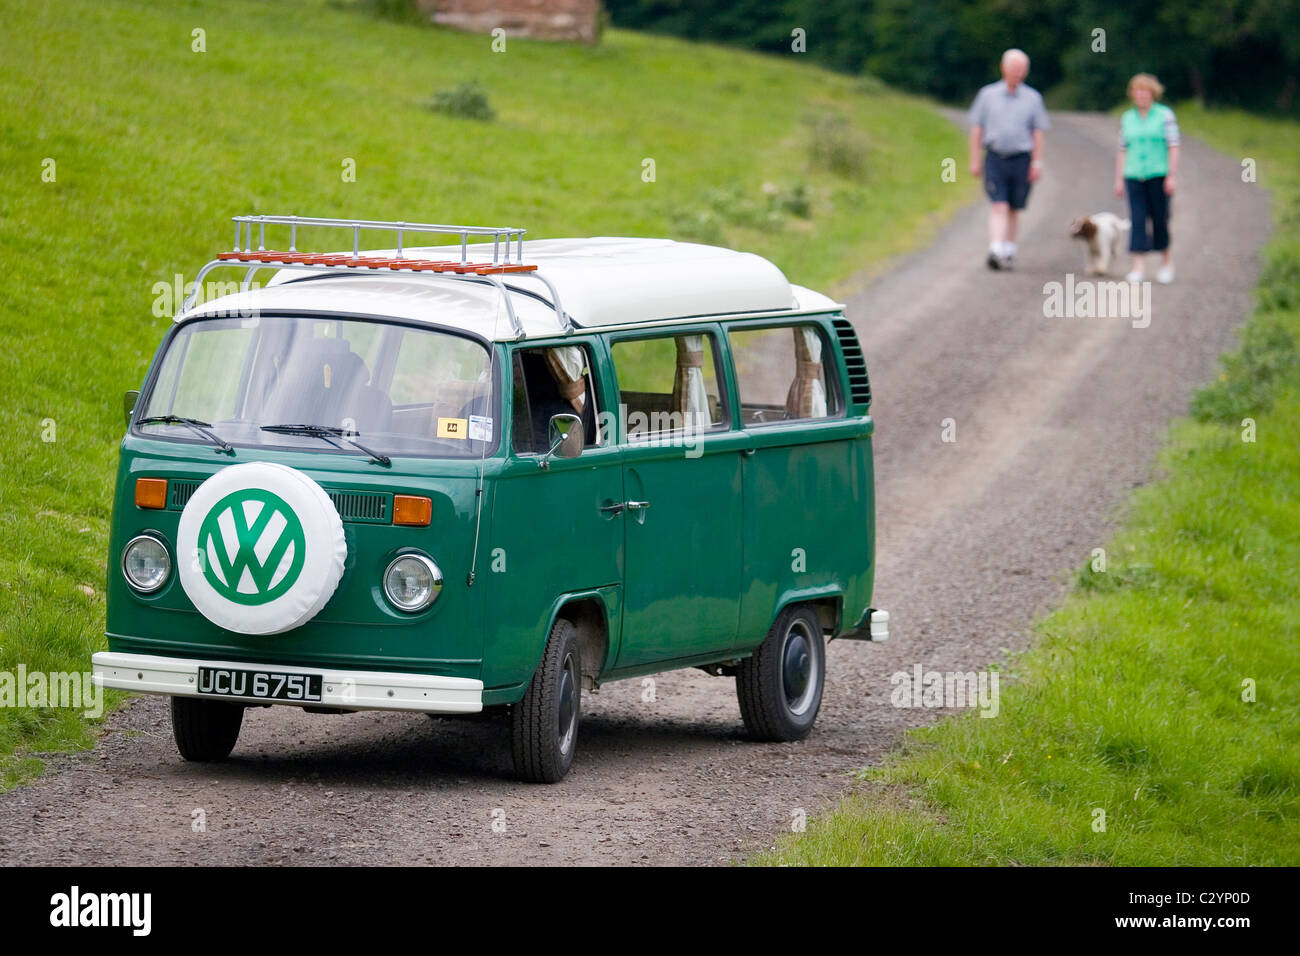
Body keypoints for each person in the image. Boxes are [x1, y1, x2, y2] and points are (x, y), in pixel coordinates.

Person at [968, 48, 1050, 271]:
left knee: (1014, 207)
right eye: (1014, 69)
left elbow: (1038, 132)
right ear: (1004, 68)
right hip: (995, 157)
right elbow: (977, 128)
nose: (1018, 73)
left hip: (1022, 159)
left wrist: (1037, 162)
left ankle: (1009, 250)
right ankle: (995, 248)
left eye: (1022, 70)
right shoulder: (987, 95)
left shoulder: (1033, 98)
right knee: (999, 204)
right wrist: (975, 159)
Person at [1115, 73, 1179, 284]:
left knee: (1160, 219)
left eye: (1145, 92)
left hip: (1158, 174)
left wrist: (1171, 175)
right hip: (1133, 175)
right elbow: (1123, 150)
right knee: (1137, 220)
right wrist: (1119, 179)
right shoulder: (1127, 118)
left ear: (1153, 94)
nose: (1141, 96)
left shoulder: (1164, 115)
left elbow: (1173, 146)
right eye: (1137, 91)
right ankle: (1138, 267)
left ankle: (1166, 262)